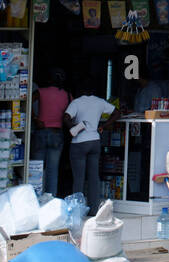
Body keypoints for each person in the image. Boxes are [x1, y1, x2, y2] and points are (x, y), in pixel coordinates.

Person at [64, 82, 117, 215]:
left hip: (79, 142)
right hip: (95, 141)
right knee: (94, 177)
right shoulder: (100, 102)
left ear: (80, 89)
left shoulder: (76, 102)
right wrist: (104, 126)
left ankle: (78, 210)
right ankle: (94, 210)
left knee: (79, 178)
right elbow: (117, 112)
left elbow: (66, 117)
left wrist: (74, 127)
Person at [31, 68, 70, 197]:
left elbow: (27, 101)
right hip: (57, 133)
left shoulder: (41, 91)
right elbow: (72, 112)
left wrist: (35, 118)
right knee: (53, 170)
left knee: (37, 168)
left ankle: (35, 197)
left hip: (41, 132)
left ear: (49, 79)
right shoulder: (67, 95)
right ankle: (50, 198)